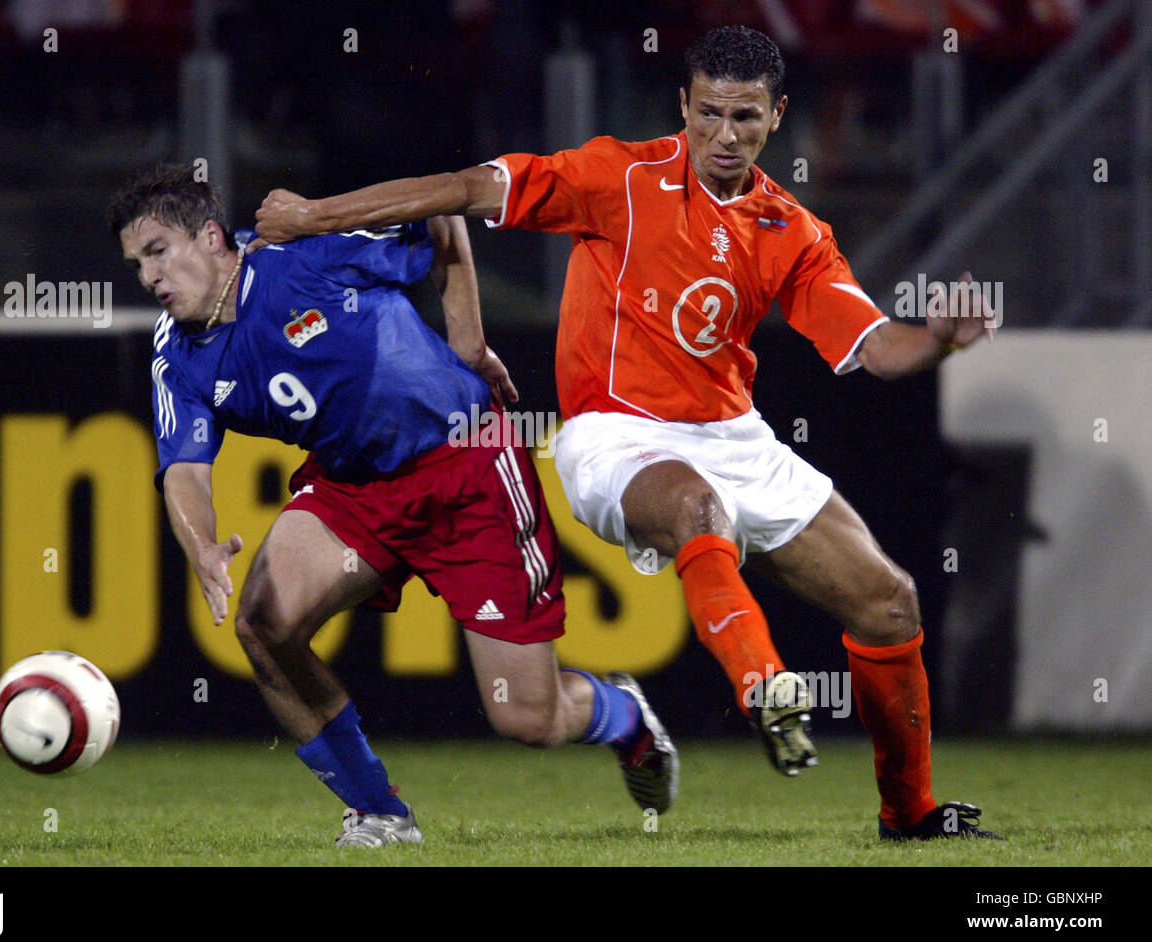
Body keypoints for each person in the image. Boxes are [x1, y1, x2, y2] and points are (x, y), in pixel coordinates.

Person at [248, 25, 1001, 841]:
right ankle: (764, 684)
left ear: (777, 116)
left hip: (731, 434)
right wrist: (315, 214)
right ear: (682, 104)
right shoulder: (617, 175)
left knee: (890, 602)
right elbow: (466, 189)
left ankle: (912, 815)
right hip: (614, 435)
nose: (723, 135)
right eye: (708, 112)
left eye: (744, 117)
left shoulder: (793, 232)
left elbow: (877, 347)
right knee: (694, 507)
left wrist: (938, 339)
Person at [109, 164, 678, 848]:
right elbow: (184, 470)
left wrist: (468, 340)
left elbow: (441, 219)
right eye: (136, 264)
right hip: (355, 486)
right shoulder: (176, 352)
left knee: (529, 719)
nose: (147, 278)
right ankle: (378, 810)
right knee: (264, 623)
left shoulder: (301, 254)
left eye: (156, 252)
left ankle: (625, 718)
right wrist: (200, 543)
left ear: (209, 237)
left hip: (466, 467)